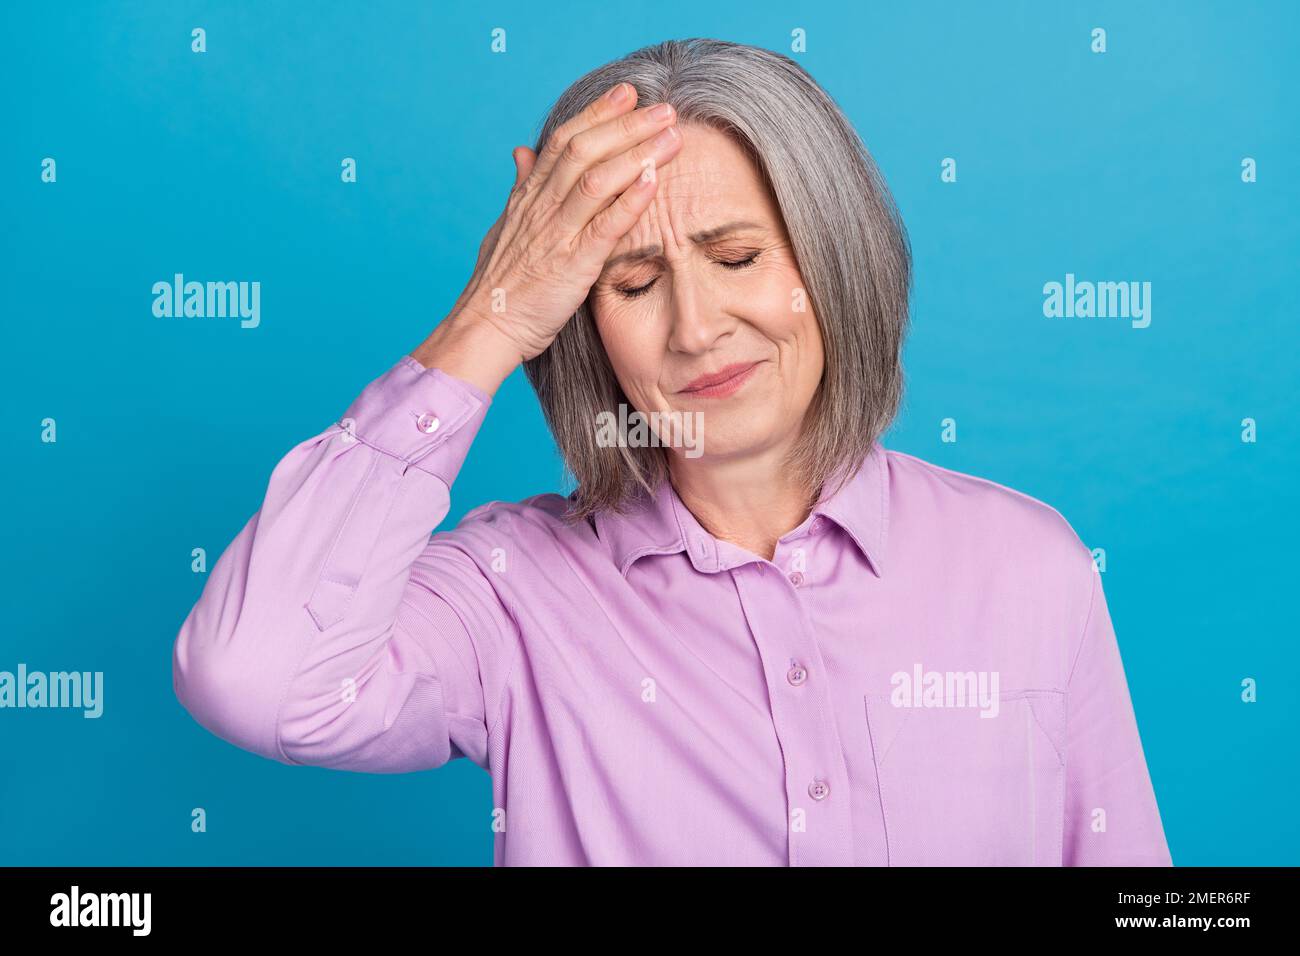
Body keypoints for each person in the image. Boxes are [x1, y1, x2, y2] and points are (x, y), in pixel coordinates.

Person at [172, 38, 1172, 866]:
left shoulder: (1028, 567)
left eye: (737, 258)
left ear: (834, 256)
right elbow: (254, 679)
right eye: (634, 282)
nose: (695, 328)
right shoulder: (510, 592)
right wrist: (492, 314)